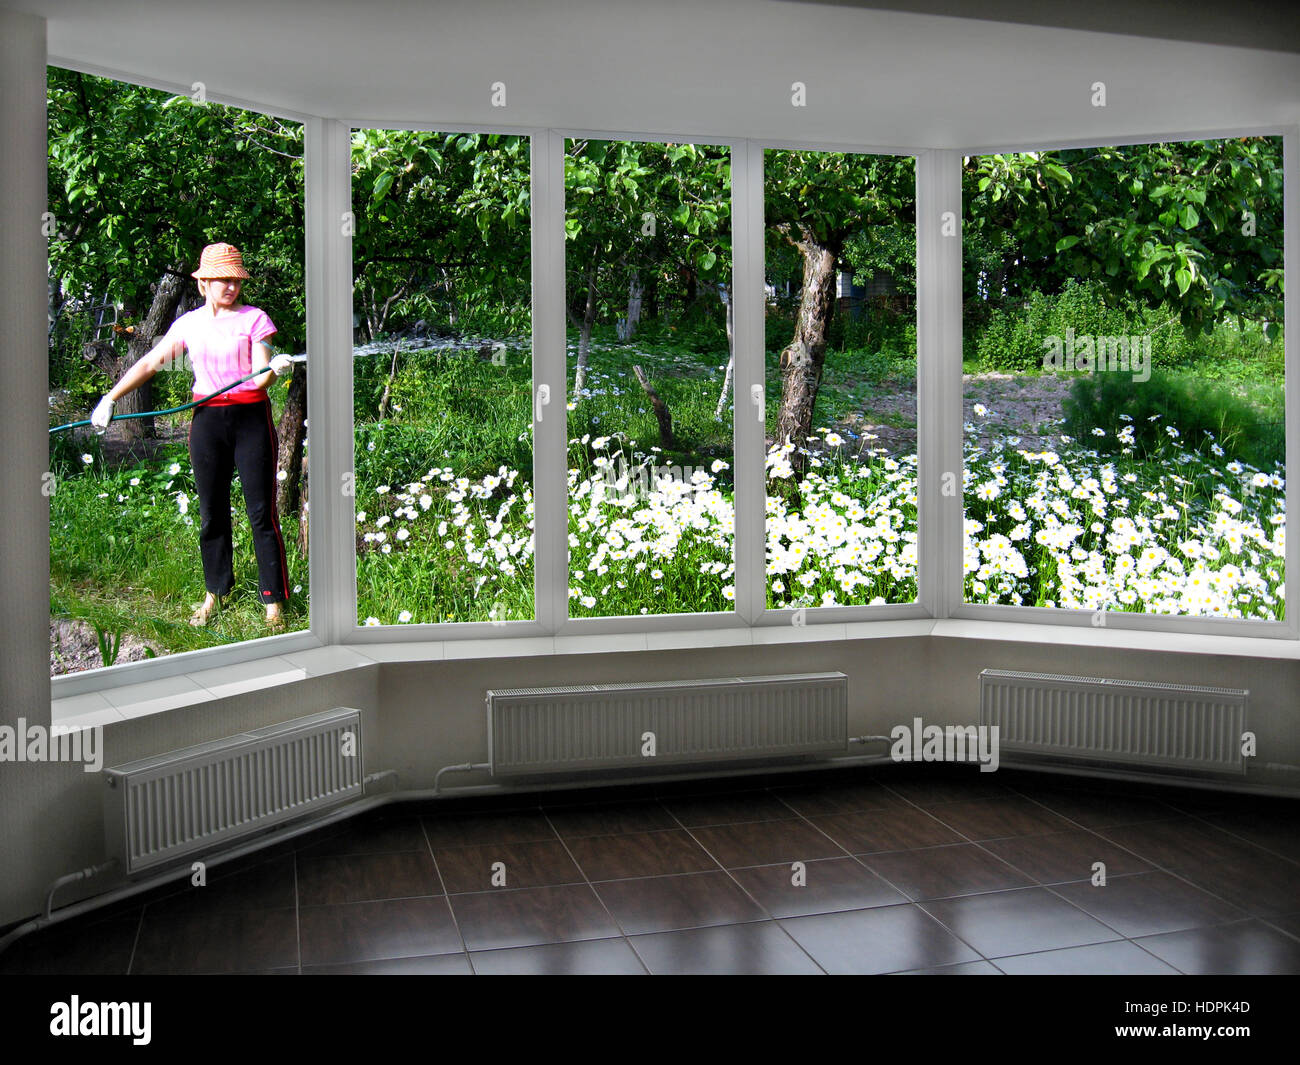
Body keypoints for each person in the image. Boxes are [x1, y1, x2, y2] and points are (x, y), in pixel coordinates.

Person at [90, 242, 293, 631]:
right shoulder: (189, 324)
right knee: (211, 512)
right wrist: (110, 398)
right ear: (203, 284)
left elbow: (261, 373)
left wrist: (276, 370)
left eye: (236, 279)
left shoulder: (255, 319)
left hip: (251, 418)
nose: (231, 287)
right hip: (207, 422)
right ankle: (215, 593)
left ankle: (273, 603)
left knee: (260, 513)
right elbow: (151, 361)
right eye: (222, 280)